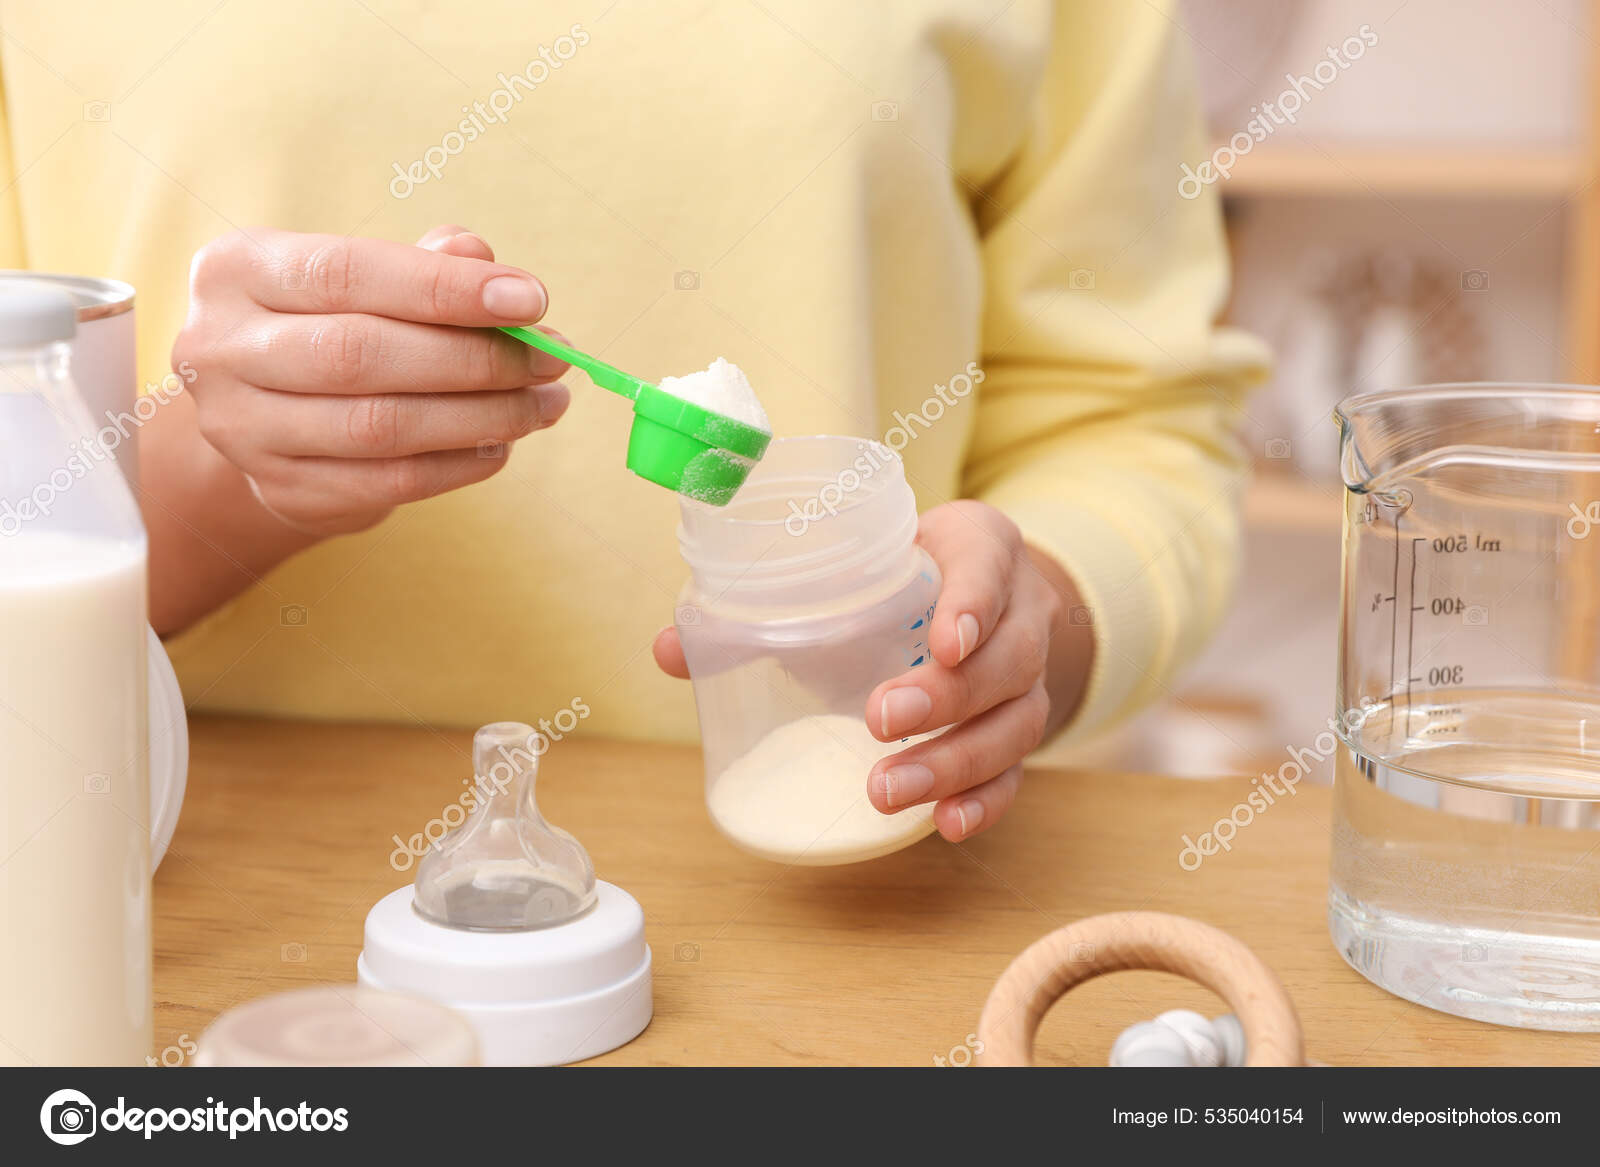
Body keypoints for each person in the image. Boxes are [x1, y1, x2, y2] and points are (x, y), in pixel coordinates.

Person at [1, 1, 1264, 842]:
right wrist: (207, 479)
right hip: (181, 886)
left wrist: (1030, 615)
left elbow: (1129, 414)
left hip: (854, 882)